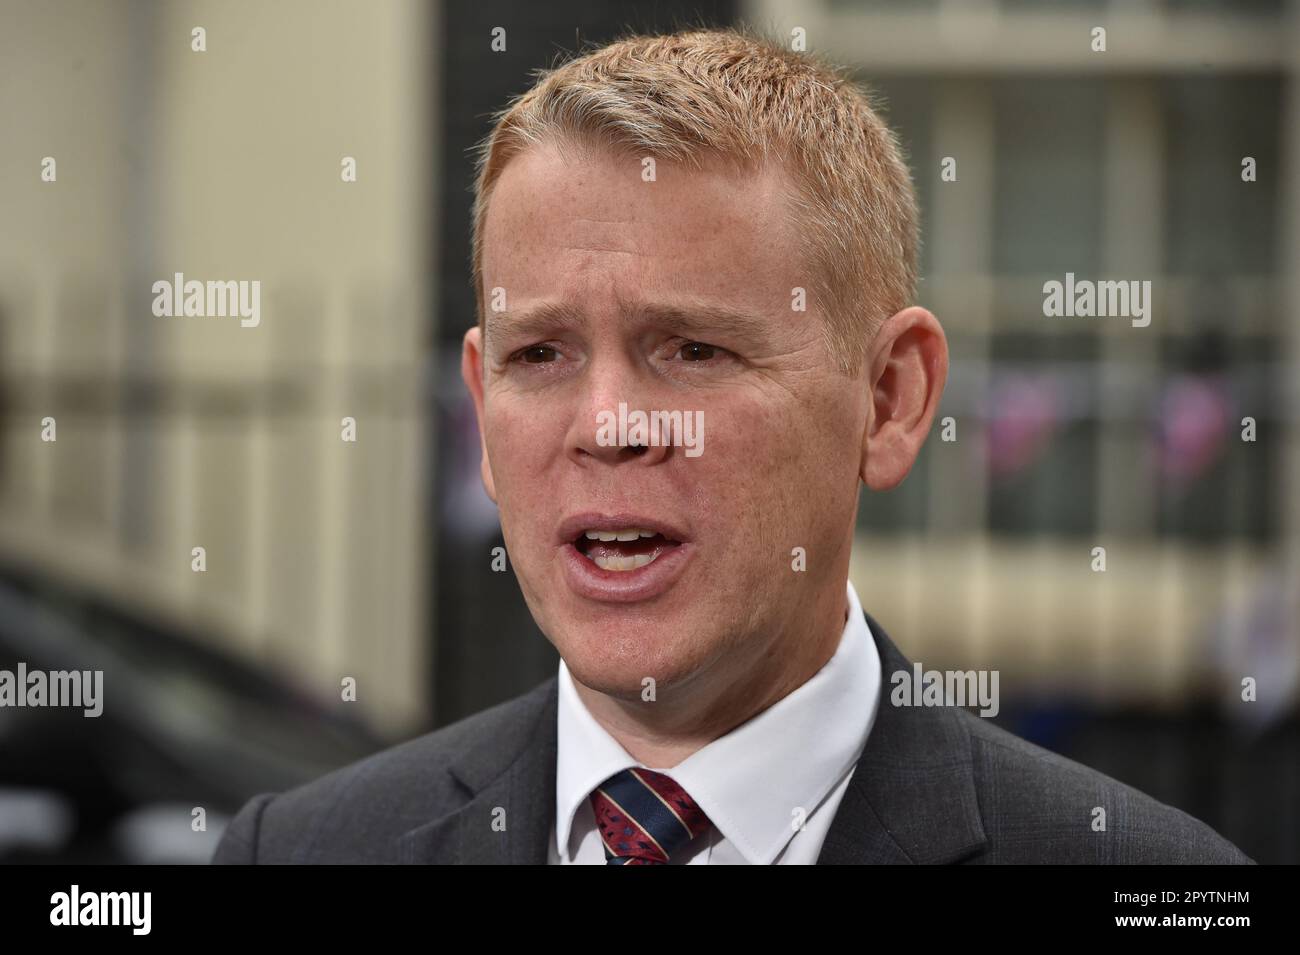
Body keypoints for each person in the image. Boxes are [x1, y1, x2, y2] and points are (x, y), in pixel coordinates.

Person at [213, 27, 1251, 865]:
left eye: (694, 349)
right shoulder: (300, 849)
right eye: (541, 354)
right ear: (480, 405)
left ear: (889, 398)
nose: (610, 426)